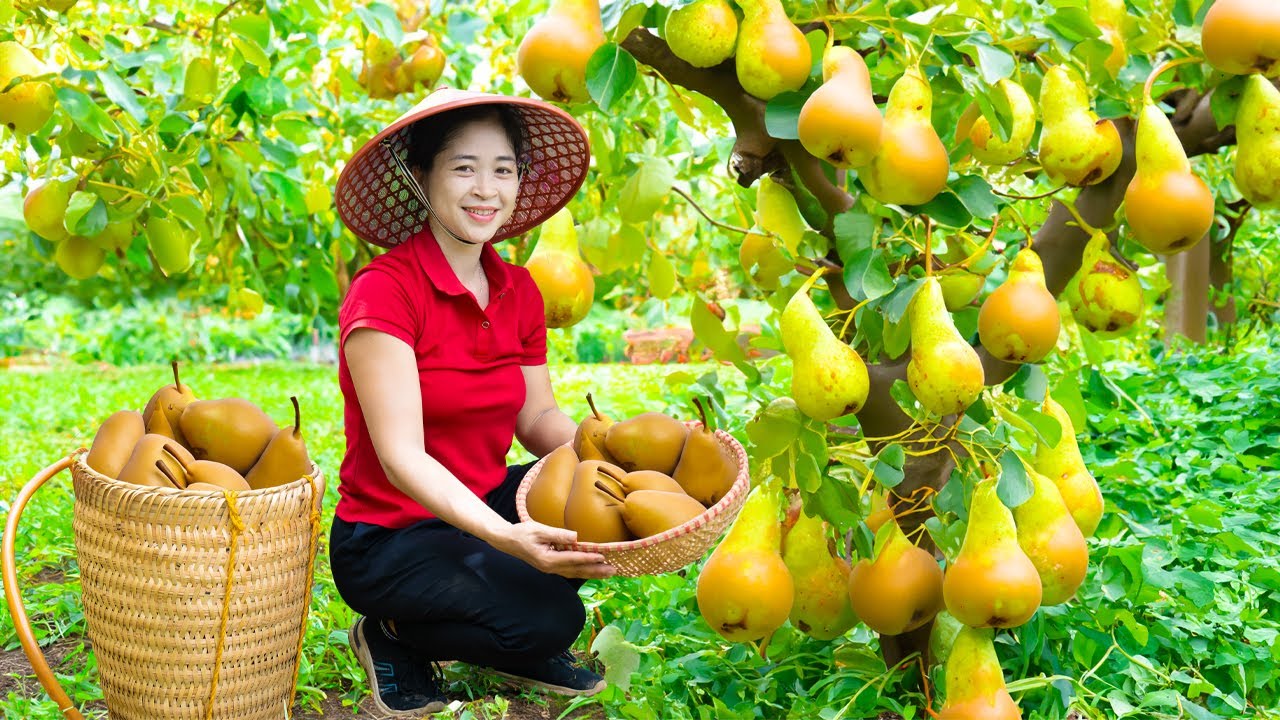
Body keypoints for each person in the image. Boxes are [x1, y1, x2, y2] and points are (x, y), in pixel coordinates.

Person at [329, 88, 615, 717]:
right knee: (549, 618)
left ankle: (495, 607)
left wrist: (617, 458)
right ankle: (392, 632)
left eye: (503, 169)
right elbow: (403, 456)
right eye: (463, 167)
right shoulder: (385, 293)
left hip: (478, 498)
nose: (486, 188)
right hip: (389, 534)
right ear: (420, 176)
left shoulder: (518, 289)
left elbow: (536, 418)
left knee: (587, 514)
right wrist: (507, 538)